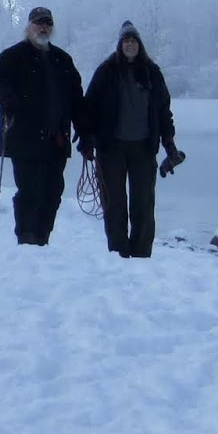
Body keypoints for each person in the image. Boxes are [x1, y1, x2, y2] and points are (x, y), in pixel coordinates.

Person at [0, 5, 87, 246]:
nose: (43, 27)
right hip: (24, 138)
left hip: (56, 140)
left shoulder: (62, 59)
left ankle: (42, 237)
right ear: (29, 26)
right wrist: (8, 99)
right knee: (29, 191)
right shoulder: (12, 56)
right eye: (38, 23)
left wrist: (85, 129)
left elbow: (76, 97)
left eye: (47, 23)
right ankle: (26, 238)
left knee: (53, 192)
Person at [80, 20, 179, 258]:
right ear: (120, 44)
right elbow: (89, 106)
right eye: (126, 40)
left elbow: (164, 110)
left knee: (143, 204)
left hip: (144, 148)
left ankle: (142, 252)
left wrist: (170, 144)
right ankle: (118, 252)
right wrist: (86, 139)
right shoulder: (106, 71)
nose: (130, 44)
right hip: (111, 148)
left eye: (134, 40)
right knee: (113, 204)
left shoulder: (152, 72)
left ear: (140, 44)